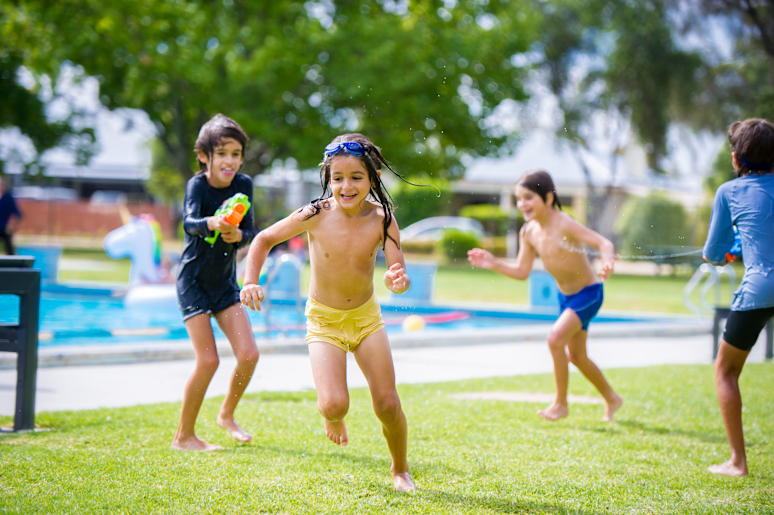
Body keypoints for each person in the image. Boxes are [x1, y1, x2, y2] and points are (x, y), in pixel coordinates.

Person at [240, 134, 416, 492]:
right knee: (335, 404)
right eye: (337, 177)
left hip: (366, 319)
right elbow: (263, 239)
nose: (345, 186)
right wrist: (249, 281)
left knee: (387, 403)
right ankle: (332, 417)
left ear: (374, 179)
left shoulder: (383, 219)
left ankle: (400, 468)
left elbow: (399, 274)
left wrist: (397, 281)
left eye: (356, 177)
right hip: (323, 321)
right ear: (327, 179)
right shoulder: (314, 215)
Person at [467, 170, 623, 422]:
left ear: (548, 198)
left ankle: (561, 404)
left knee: (554, 339)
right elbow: (521, 272)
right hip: (566, 298)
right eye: (519, 199)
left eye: (529, 197)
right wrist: (494, 263)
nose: (522, 204)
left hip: (589, 293)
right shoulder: (528, 232)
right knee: (577, 356)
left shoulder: (564, 222)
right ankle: (612, 398)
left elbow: (603, 243)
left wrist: (607, 263)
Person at [172, 114, 260, 451]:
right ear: (204, 155)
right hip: (193, 281)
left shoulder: (244, 185)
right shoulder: (197, 186)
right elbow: (189, 223)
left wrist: (238, 233)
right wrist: (214, 221)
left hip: (223, 282)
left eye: (236, 153)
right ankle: (184, 436)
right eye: (222, 153)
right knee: (208, 360)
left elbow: (250, 229)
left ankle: (227, 414)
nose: (231, 161)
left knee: (249, 354)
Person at [703, 118, 774, 477]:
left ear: (735, 159)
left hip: (761, 286)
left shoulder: (729, 192)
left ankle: (738, 462)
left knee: (726, 371)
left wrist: (721, 254)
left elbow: (714, 253)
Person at [0, 177, 21, 255]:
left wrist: (11, 224)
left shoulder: (8, 197)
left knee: (9, 249)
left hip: (4, 228)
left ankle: (12, 264)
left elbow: (16, 212)